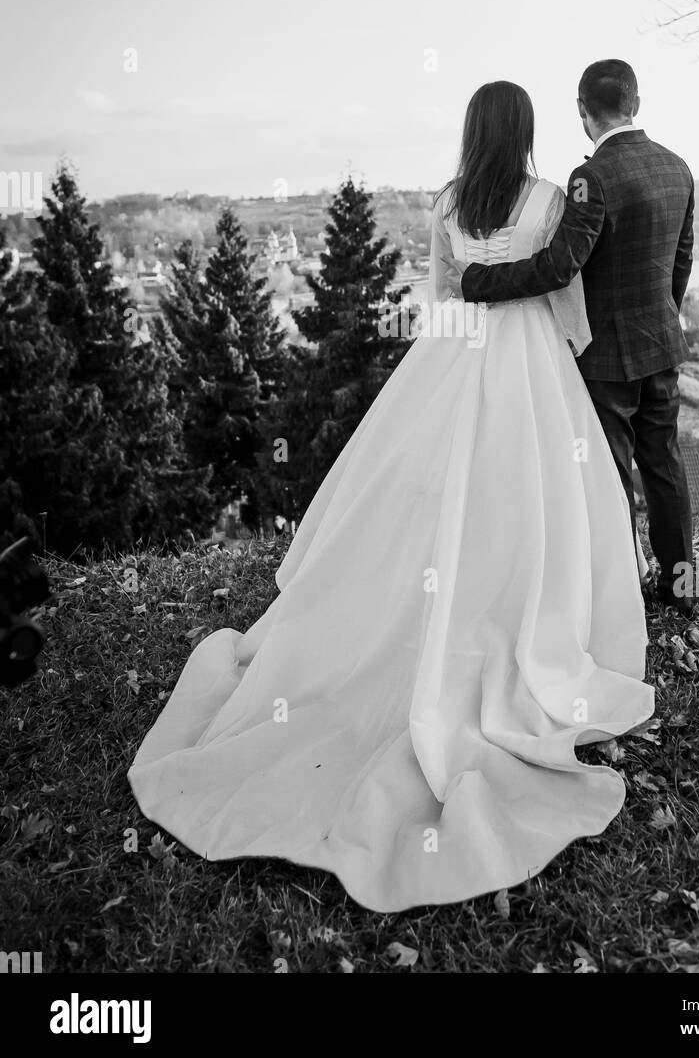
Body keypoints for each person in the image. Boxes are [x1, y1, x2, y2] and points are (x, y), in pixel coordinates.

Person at [129, 79, 654, 913]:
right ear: (522, 133)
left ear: (472, 132)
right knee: (532, 496)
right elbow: (565, 298)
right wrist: (573, 351)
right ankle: (517, 614)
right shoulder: (551, 196)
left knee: (421, 496)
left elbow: (444, 296)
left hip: (451, 356)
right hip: (528, 365)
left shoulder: (448, 201)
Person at [453, 61, 695, 614]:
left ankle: (620, 592)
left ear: (583, 109)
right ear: (636, 101)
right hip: (661, 344)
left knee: (610, 475)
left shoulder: (592, 178)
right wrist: (661, 316)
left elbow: (560, 267)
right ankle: (680, 592)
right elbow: (681, 260)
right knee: (664, 464)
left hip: (606, 355)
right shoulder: (677, 167)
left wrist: (480, 281)